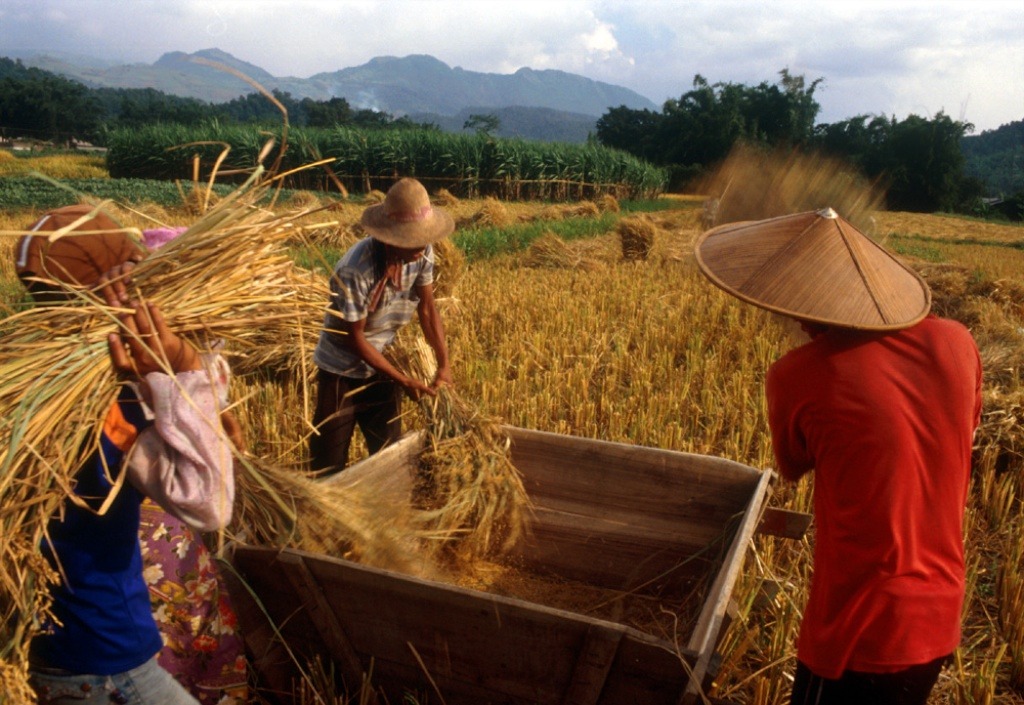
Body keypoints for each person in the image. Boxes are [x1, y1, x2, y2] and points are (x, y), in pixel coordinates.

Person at [693, 208, 982, 705]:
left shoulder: (799, 375)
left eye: (801, 307)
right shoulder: (958, 343)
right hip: (938, 615)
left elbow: (792, 464)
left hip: (859, 631)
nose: (800, 322)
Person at [16, 205, 244, 705]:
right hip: (104, 664)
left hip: (46, 652)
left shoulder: (29, 398)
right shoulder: (109, 416)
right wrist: (183, 369)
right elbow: (210, 502)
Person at [310, 177, 454, 475]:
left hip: (382, 364)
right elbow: (355, 339)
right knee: (328, 464)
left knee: (390, 457)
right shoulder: (355, 269)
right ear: (390, 236)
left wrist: (444, 363)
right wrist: (403, 380)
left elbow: (427, 309)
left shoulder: (423, 253)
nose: (420, 247)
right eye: (411, 240)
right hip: (342, 372)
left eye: (422, 238)